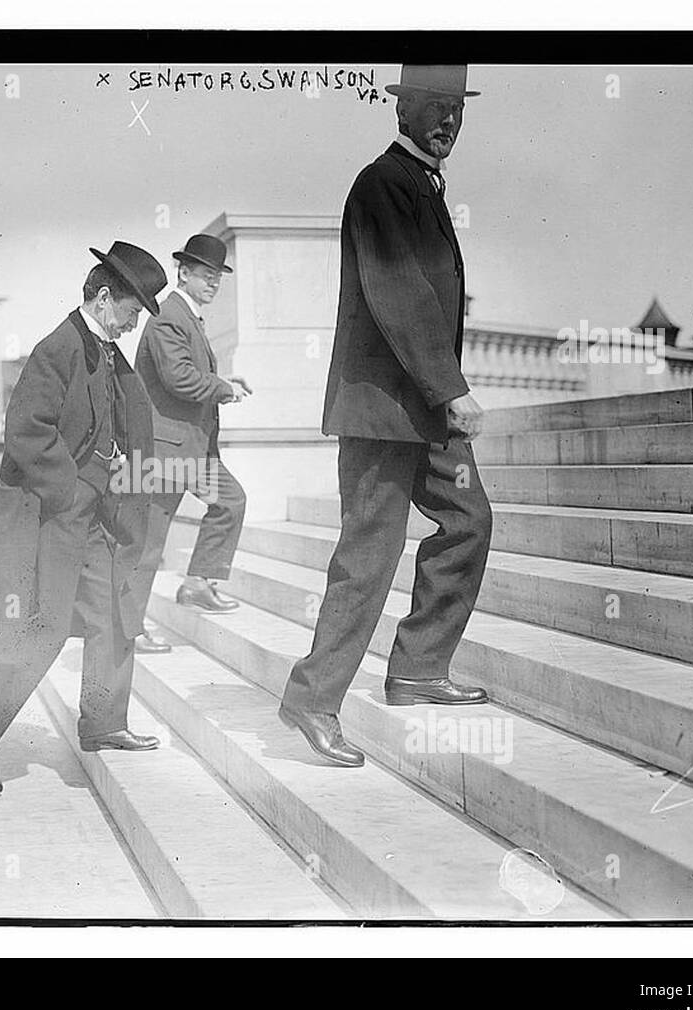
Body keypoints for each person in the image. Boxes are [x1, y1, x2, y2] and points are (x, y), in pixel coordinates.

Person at [279, 65, 494, 769]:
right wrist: (451, 387)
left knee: (468, 520)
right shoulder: (383, 185)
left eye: (455, 109)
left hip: (421, 414)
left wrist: (439, 395)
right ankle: (311, 702)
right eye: (433, 107)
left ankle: (417, 669)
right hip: (384, 413)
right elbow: (401, 293)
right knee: (369, 556)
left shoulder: (419, 187)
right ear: (402, 112)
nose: (447, 121)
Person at [0, 242, 167, 793]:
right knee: (41, 631)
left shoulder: (107, 351)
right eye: (133, 310)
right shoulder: (58, 347)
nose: (135, 321)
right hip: (52, 514)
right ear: (104, 295)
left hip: (94, 515)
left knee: (113, 610)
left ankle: (104, 723)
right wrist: (72, 488)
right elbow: (25, 430)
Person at [130, 233, 251, 654]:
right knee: (148, 544)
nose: (212, 284)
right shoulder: (168, 314)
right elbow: (178, 377)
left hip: (191, 450)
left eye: (217, 277)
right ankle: (128, 628)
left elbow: (186, 371)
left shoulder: (188, 315)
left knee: (231, 501)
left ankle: (198, 583)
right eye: (205, 276)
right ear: (184, 272)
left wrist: (224, 383)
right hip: (164, 453)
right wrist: (223, 388)